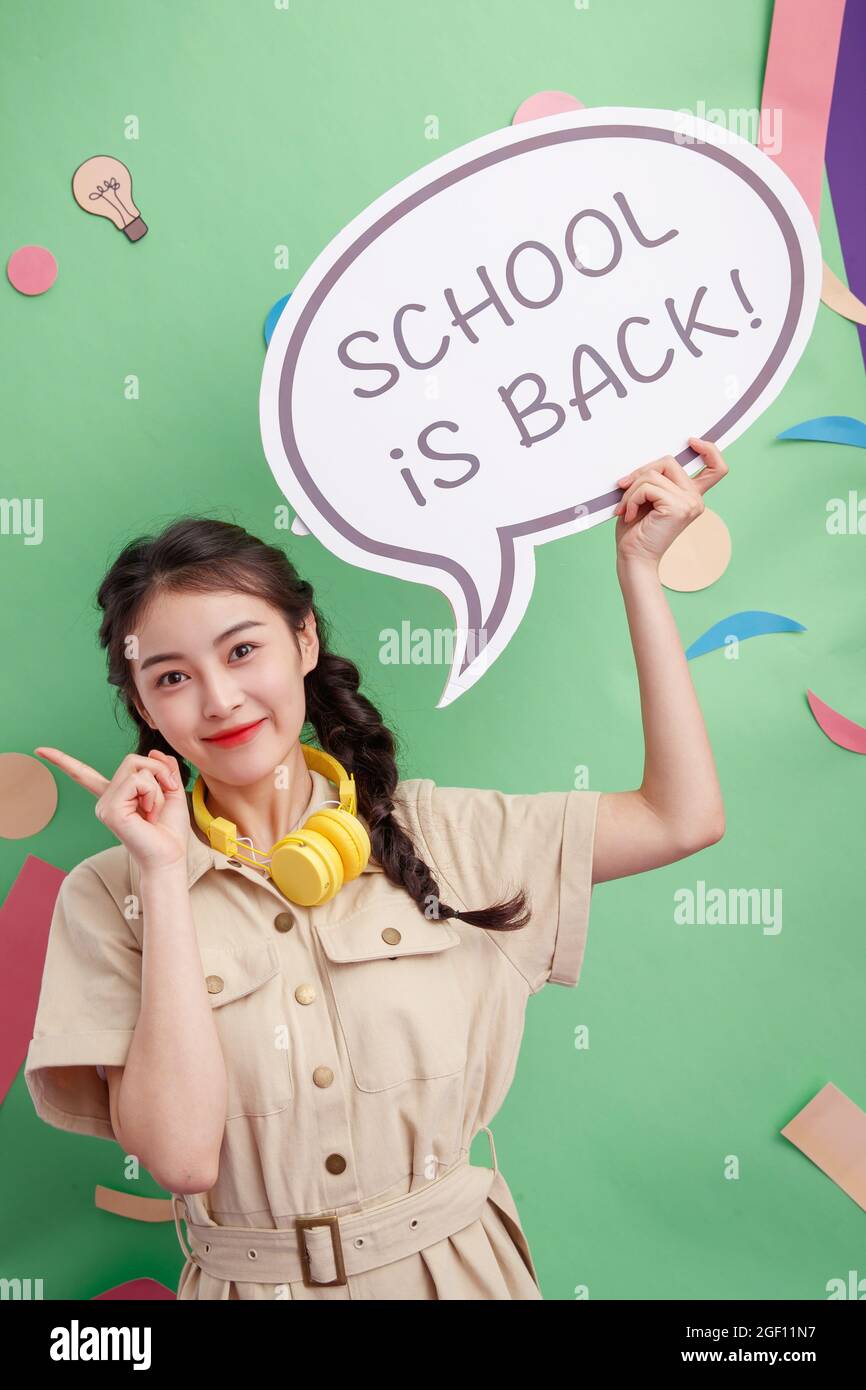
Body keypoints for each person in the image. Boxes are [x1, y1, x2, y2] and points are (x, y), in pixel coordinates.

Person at [24, 440, 728, 1299]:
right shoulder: (109, 893)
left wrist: (640, 573)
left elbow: (680, 818)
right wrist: (166, 879)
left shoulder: (444, 832)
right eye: (173, 676)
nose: (219, 699)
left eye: (243, 650)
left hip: (457, 1277)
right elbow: (178, 1157)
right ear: (144, 706)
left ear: (304, 639)